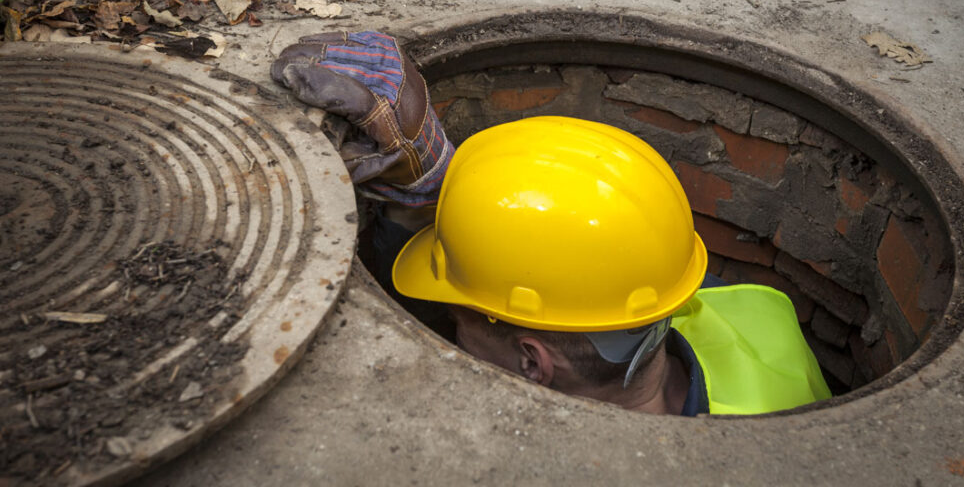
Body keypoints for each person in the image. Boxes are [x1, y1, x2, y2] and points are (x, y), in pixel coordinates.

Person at [272, 31, 831, 416]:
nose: (448, 319)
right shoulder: (761, 317)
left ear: (532, 362)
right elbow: (588, 252)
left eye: (459, 316)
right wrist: (428, 199)